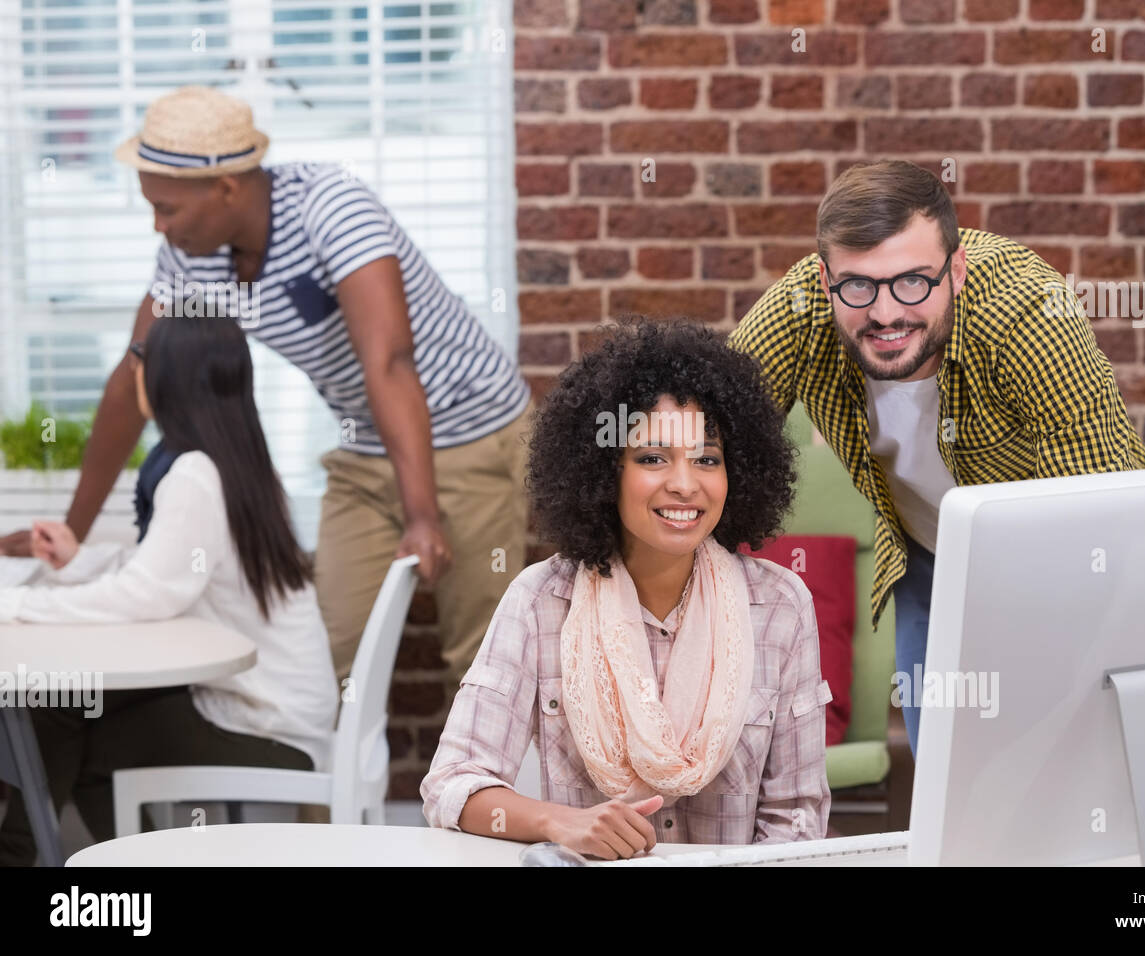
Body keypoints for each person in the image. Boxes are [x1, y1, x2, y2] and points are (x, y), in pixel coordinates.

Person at [0, 85, 534, 713]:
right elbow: (132, 381)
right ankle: (324, 806)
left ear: (224, 189)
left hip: (473, 436)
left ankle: (493, 813)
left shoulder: (329, 207)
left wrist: (422, 514)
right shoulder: (191, 260)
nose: (158, 226)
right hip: (365, 447)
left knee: (478, 663)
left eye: (168, 208)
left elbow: (388, 360)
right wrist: (72, 534)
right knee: (328, 658)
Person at [729, 159, 1145, 758]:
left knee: (1076, 764)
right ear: (825, 277)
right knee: (945, 781)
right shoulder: (800, 310)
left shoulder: (1028, 315)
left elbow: (1100, 513)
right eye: (858, 286)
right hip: (931, 560)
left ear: (955, 268)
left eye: (912, 282)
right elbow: (707, 443)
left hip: (1065, 560)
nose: (884, 314)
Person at [420, 320, 833, 858]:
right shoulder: (541, 601)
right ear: (603, 470)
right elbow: (451, 785)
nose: (685, 484)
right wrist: (560, 823)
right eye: (652, 458)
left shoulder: (781, 607)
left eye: (707, 459)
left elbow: (797, 822)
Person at [0, 316, 337, 866]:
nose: (134, 365)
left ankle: (23, 854)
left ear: (167, 374)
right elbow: (162, 568)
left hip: (264, 727)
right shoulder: (229, 459)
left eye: (140, 353)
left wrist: (14, 603)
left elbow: (145, 595)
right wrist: (77, 560)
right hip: (282, 712)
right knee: (67, 715)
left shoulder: (193, 474)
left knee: (58, 713)